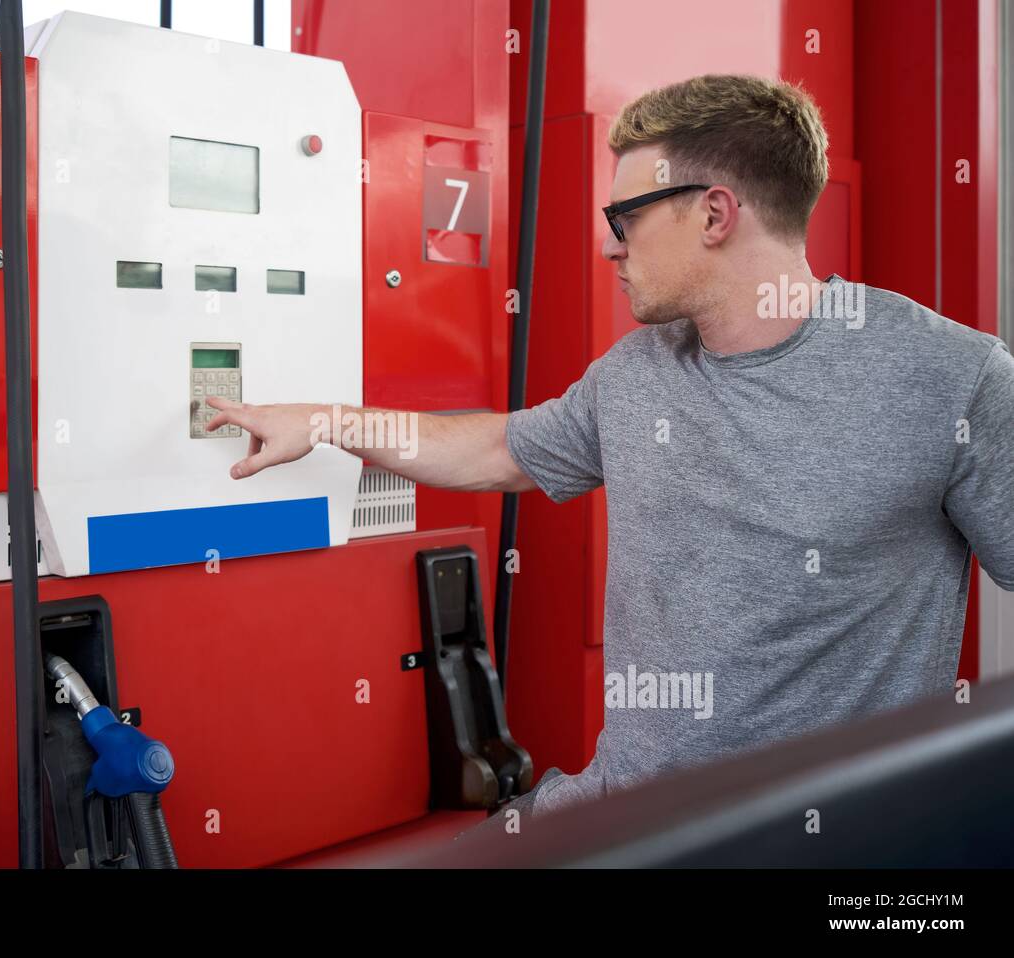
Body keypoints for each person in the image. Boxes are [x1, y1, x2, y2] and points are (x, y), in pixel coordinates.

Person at [204, 74, 1014, 821]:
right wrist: (331, 422)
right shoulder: (636, 374)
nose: (608, 247)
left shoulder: (952, 379)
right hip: (626, 816)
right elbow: (502, 452)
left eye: (624, 219)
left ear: (714, 213)